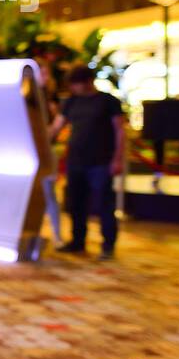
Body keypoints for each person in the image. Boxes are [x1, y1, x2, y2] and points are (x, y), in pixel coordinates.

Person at [49, 65, 124, 259]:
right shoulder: (71, 102)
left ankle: (108, 245)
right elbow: (57, 127)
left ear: (88, 81)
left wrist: (117, 158)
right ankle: (77, 241)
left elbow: (119, 131)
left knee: (104, 205)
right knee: (76, 203)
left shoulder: (108, 102)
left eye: (77, 84)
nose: (74, 88)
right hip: (76, 160)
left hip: (101, 161)